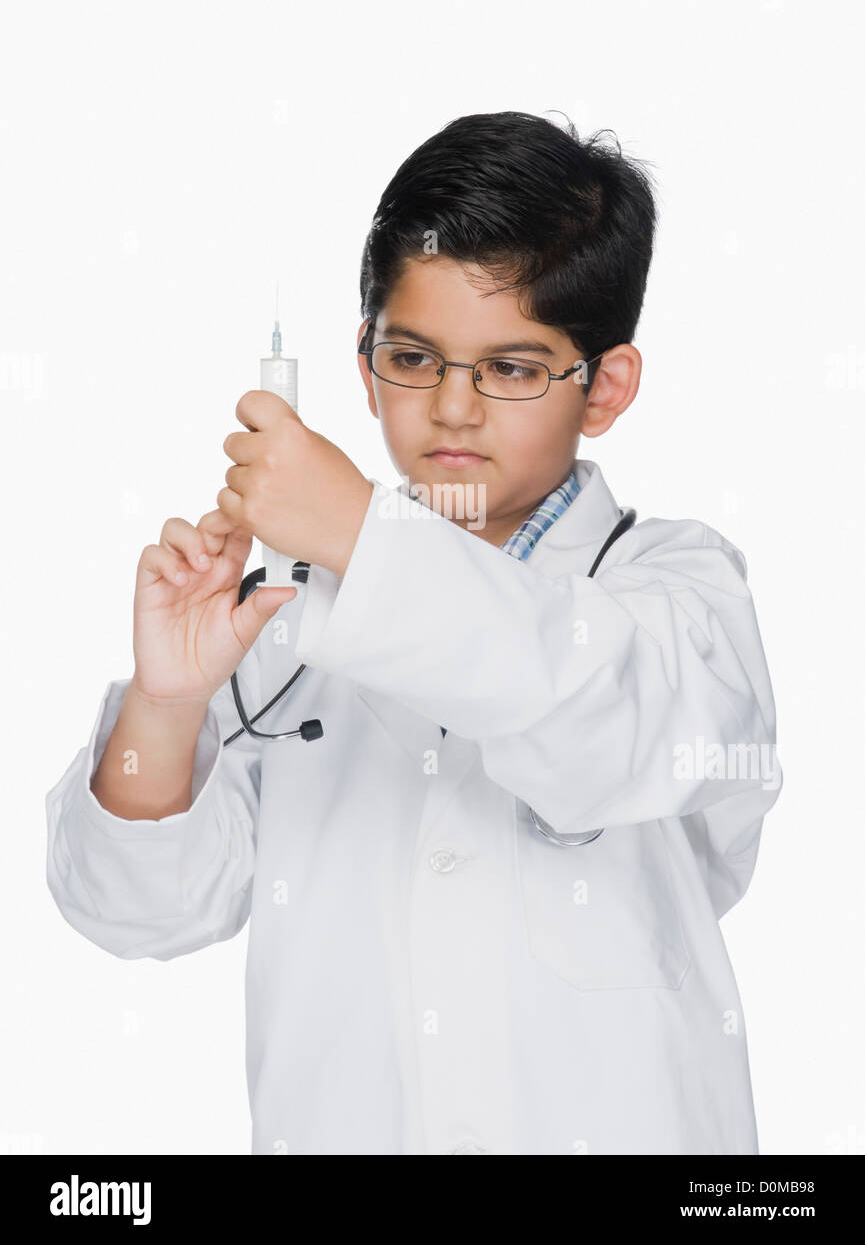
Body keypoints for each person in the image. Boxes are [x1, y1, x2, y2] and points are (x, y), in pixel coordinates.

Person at [46, 110, 782, 1155]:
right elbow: (136, 910)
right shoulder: (281, 621)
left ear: (604, 386)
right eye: (413, 356)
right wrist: (165, 704)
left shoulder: (678, 590)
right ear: (363, 360)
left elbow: (595, 716)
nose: (451, 408)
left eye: (514, 368)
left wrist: (359, 527)